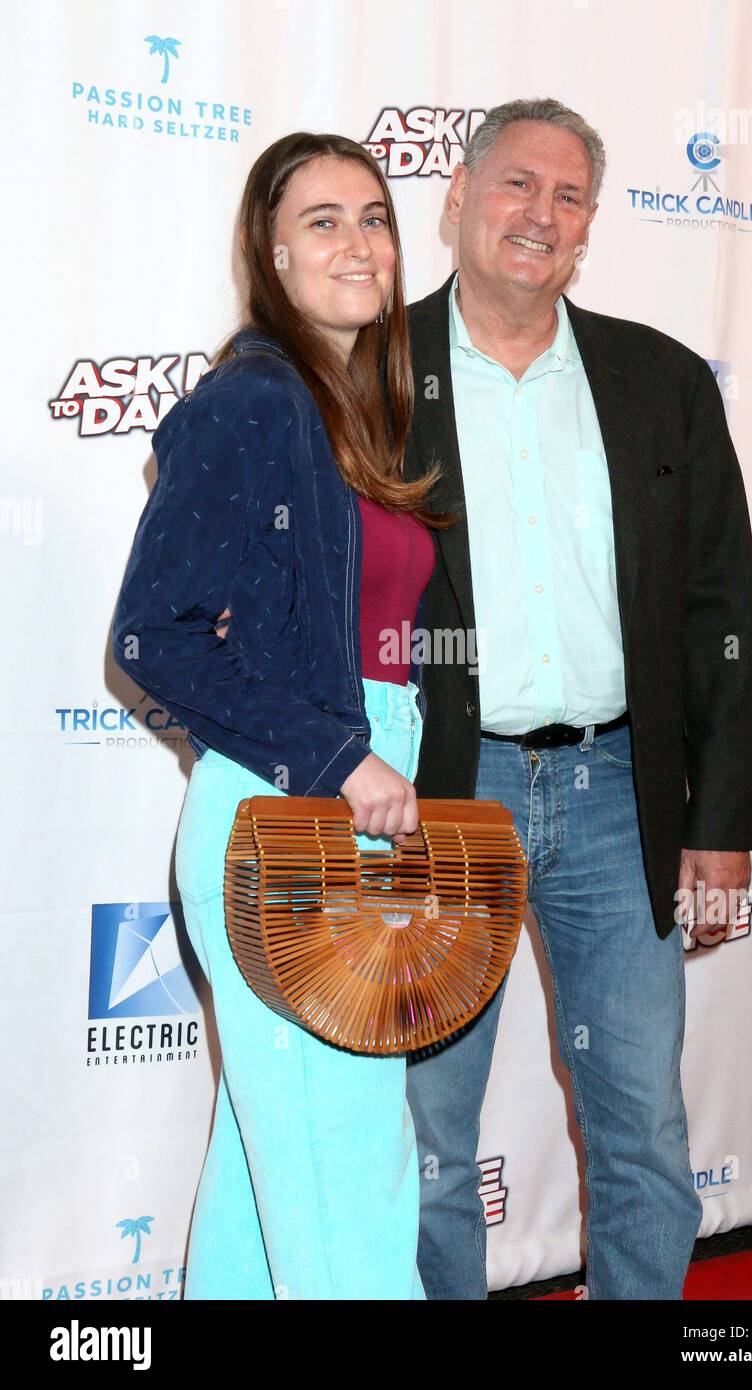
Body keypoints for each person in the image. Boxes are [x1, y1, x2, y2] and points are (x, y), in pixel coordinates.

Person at [400, 98, 752, 1300]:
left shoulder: (659, 380)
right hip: (440, 796)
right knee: (428, 1142)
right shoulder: (371, 371)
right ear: (457, 196)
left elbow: (720, 613)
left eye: (565, 197)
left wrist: (716, 821)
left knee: (642, 1133)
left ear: (589, 227)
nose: (537, 214)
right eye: (514, 184)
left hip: (617, 793)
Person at [110, 131, 454, 1300]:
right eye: (321, 220)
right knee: (344, 1178)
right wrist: (335, 756)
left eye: (372, 216)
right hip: (287, 815)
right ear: (270, 250)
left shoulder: (339, 410)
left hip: (350, 809)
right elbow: (152, 635)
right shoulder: (254, 401)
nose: (357, 242)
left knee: (270, 1203)